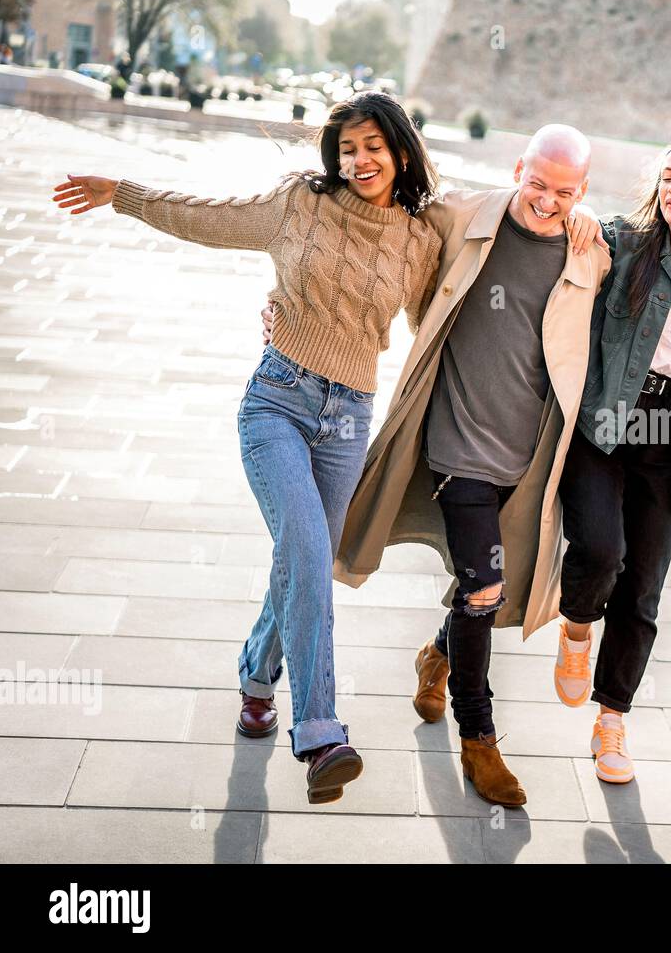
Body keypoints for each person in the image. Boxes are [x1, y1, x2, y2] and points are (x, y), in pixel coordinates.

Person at [52, 90, 443, 804]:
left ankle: (257, 680)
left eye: (373, 147)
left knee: (302, 561)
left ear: (401, 151)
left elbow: (451, 309)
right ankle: (321, 730)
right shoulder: (300, 202)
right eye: (348, 148)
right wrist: (126, 194)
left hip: (350, 417)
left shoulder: (420, 241)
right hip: (277, 402)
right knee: (306, 552)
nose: (359, 160)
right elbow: (210, 218)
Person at [264, 125, 611, 808]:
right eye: (537, 184)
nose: (547, 201)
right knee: (484, 590)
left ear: (583, 191)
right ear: (519, 167)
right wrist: (289, 300)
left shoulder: (590, 248)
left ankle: (437, 654)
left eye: (564, 192)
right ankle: (478, 739)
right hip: (457, 448)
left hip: (528, 455)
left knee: (481, 584)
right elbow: (369, 236)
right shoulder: (460, 215)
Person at [552, 135, 671, 784]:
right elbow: (575, 231)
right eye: (667, 176)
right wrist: (575, 216)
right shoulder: (628, 242)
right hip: (607, 419)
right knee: (601, 552)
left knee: (642, 592)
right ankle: (576, 626)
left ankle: (612, 725)